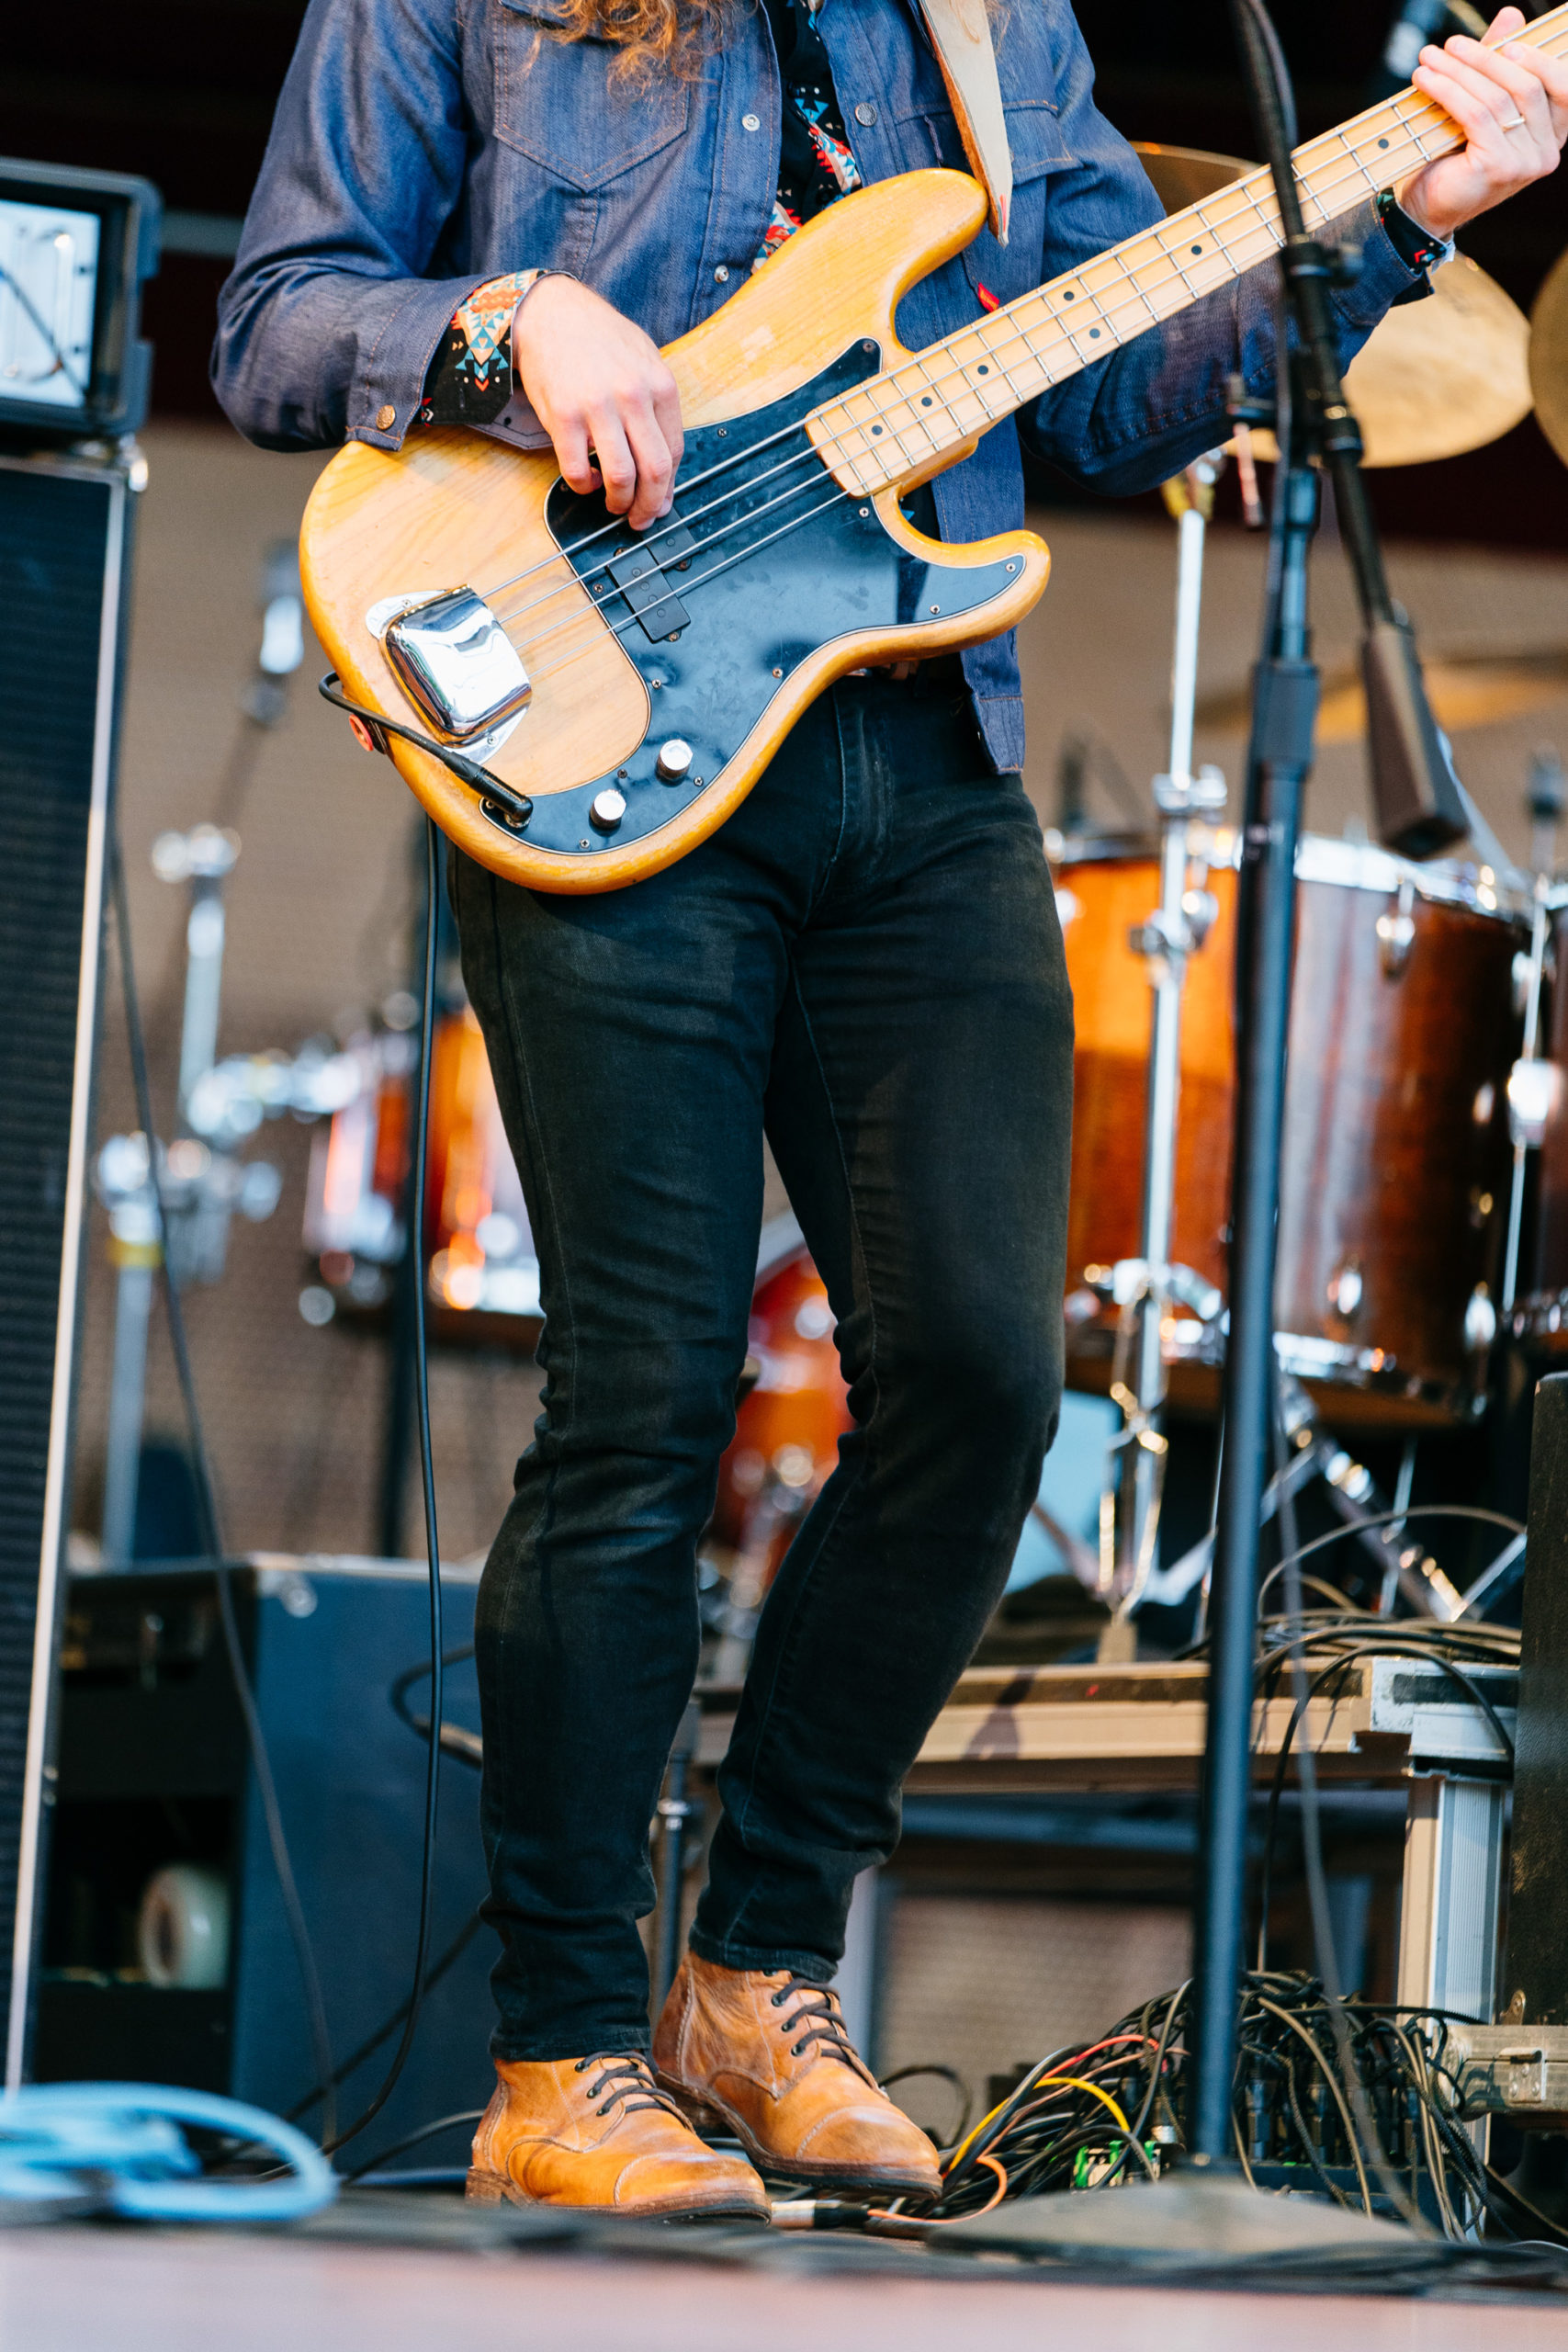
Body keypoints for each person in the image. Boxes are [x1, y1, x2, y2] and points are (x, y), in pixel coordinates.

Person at [215, 0, 1565, 2219]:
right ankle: (558, 2051)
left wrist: (1404, 204)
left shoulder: (990, 19)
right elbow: (276, 322)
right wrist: (509, 322)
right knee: (639, 1390)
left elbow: (1120, 381)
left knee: (975, 1369)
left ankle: (751, 1976)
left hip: (914, 740)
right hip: (593, 712)